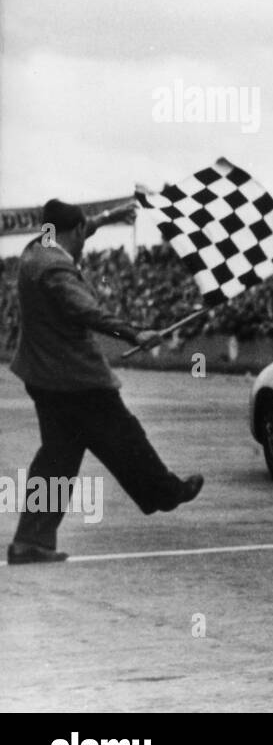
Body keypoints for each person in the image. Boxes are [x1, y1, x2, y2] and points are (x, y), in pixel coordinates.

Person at [8, 199, 203, 565]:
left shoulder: (35, 251)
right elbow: (87, 311)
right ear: (76, 230)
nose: (86, 240)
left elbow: (83, 226)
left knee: (57, 459)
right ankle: (164, 492)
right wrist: (134, 333)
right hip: (76, 380)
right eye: (84, 232)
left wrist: (111, 217)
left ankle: (30, 542)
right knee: (124, 436)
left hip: (44, 377)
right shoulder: (56, 270)